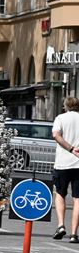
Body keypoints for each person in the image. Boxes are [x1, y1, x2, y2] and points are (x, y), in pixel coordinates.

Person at [51, 96, 79, 243]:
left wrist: (71, 148)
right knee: (77, 199)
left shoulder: (60, 118)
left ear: (66, 107)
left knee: (60, 194)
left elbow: (56, 135)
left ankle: (61, 226)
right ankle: (74, 234)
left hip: (63, 163)